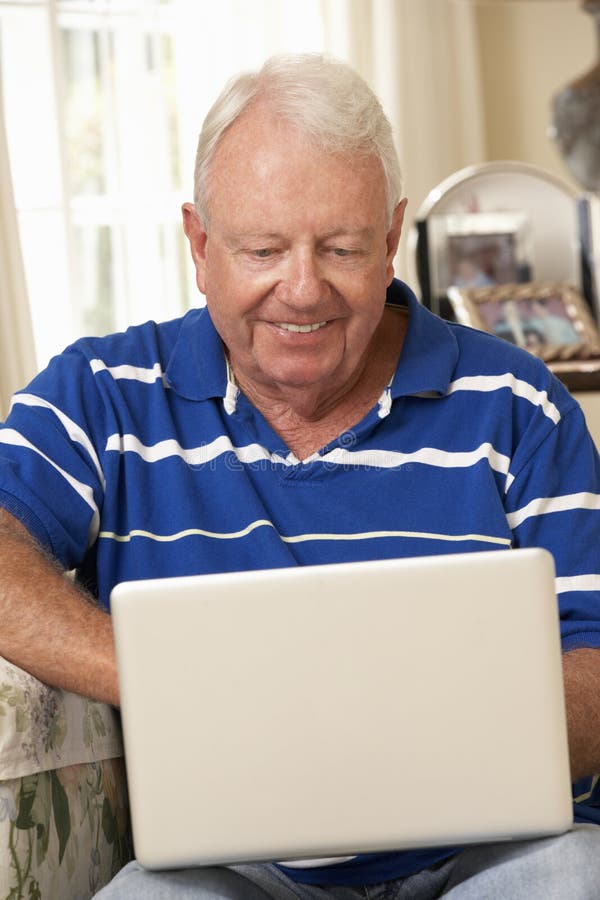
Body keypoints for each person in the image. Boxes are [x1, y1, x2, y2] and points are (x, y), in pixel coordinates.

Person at [0, 53, 599, 899]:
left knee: (576, 876)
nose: (303, 289)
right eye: (263, 250)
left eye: (342, 248)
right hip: (227, 863)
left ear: (389, 241)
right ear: (199, 245)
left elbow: (594, 654)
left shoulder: (519, 405)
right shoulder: (106, 392)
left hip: (491, 855)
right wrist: (155, 676)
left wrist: (419, 737)